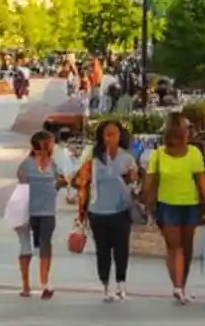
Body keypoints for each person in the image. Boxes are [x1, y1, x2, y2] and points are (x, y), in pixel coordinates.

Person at [145, 114, 205, 304]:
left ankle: (181, 284)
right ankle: (178, 286)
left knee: (186, 247)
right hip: (167, 204)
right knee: (175, 246)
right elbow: (151, 182)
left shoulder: (194, 153)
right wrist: (148, 205)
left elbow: (202, 182)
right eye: (185, 128)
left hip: (191, 205)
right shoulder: (158, 154)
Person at [77, 119, 137, 302]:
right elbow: (82, 183)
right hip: (98, 211)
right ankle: (106, 284)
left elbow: (134, 183)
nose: (111, 138)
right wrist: (82, 211)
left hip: (121, 210)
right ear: (102, 137)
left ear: (120, 136)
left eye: (115, 134)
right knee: (103, 250)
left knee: (121, 249)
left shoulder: (127, 158)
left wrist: (132, 177)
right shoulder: (93, 159)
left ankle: (121, 283)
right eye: (108, 134)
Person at [17, 130, 68, 300]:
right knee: (26, 247)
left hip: (47, 211)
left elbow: (61, 180)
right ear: (41, 144)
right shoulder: (26, 164)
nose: (53, 145)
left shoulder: (54, 164)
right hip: (26, 212)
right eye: (50, 142)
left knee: (45, 244)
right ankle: (25, 285)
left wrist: (61, 183)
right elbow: (21, 182)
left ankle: (45, 284)